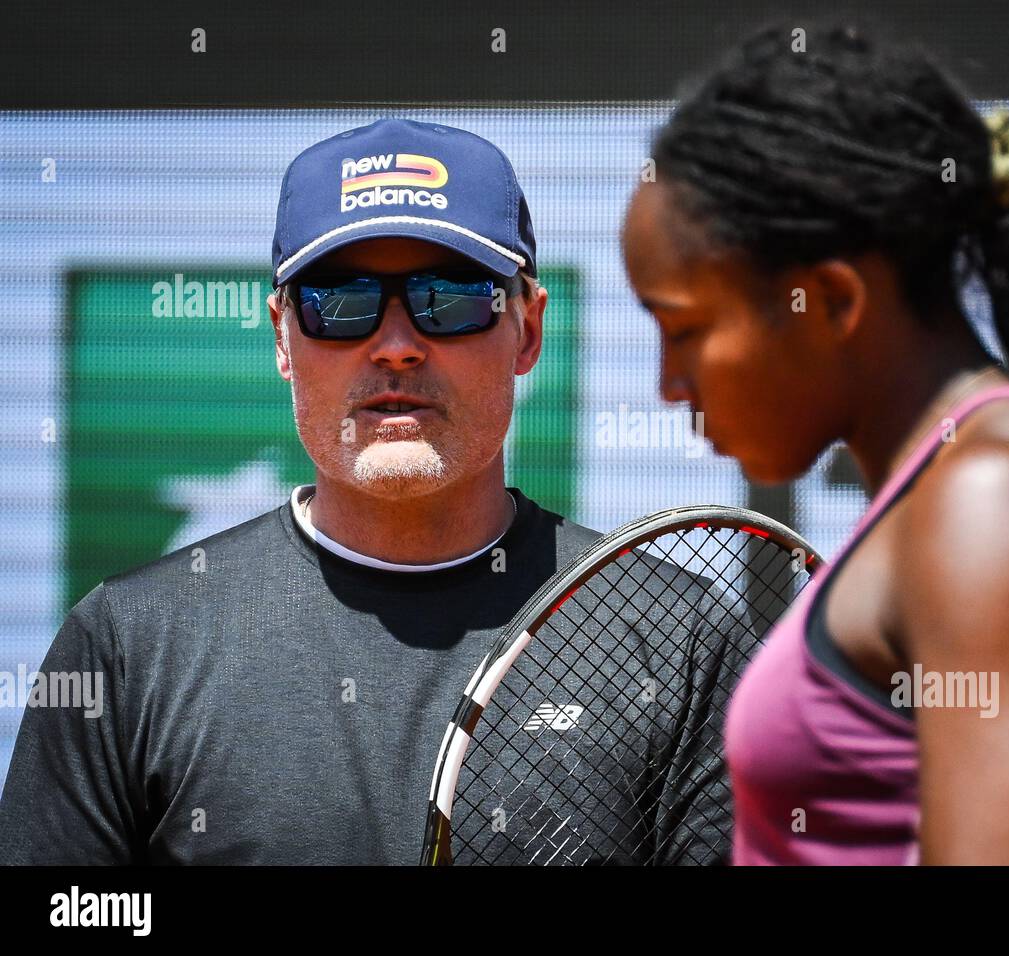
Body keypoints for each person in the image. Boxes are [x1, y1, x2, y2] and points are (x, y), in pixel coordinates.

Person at [0, 118, 731, 865]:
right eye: (340, 301)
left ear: (528, 330)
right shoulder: (127, 647)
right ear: (282, 337)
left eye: (450, 296)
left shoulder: (685, 644)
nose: (396, 343)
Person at [620, 24, 1009, 864]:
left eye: (686, 328)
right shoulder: (972, 489)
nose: (669, 383)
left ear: (833, 302)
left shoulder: (990, 501)